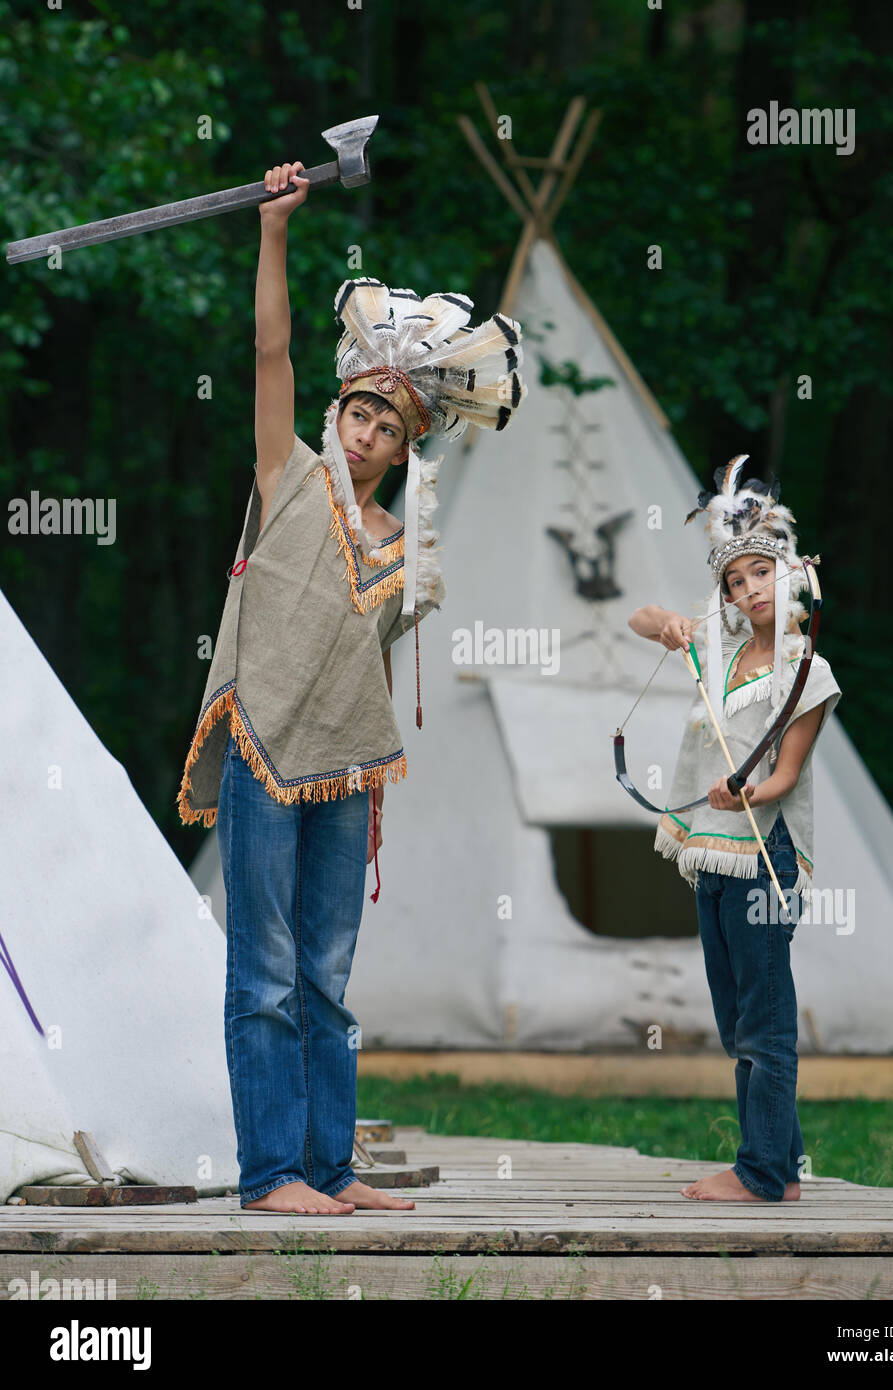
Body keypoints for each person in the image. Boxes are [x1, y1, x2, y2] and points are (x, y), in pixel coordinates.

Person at [176, 160, 526, 1214]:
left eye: (389, 427)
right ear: (337, 410)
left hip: (344, 768)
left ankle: (331, 1169)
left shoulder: (407, 551)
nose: (368, 434)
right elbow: (268, 345)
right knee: (268, 970)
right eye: (361, 413)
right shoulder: (286, 477)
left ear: (410, 443)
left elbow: (368, 663)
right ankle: (269, 1174)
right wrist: (276, 229)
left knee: (328, 976)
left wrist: (371, 791)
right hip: (260, 744)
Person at [628, 456, 841, 1202]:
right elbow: (640, 618)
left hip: (763, 854)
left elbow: (785, 773)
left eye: (761, 574)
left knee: (765, 1021)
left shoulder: (803, 670)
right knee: (735, 1017)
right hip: (714, 856)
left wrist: (746, 789)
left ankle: (759, 1174)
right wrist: (674, 624)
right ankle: (780, 1165)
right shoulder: (717, 650)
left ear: (791, 576)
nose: (749, 590)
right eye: (735, 580)